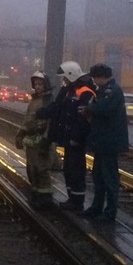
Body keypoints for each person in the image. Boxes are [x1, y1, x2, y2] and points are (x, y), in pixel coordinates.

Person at [40, 60, 96, 212]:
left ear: (71, 76)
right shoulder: (69, 90)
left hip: (76, 140)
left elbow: (82, 119)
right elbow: (57, 107)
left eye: (64, 77)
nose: (62, 80)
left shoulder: (84, 92)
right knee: (69, 169)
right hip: (68, 137)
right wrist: (44, 112)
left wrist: (76, 138)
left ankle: (77, 202)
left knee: (76, 170)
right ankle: (72, 198)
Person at [82, 63, 129, 222]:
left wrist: (90, 107)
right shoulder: (103, 90)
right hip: (102, 141)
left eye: (95, 78)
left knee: (109, 177)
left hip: (109, 141)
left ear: (102, 76)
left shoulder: (112, 91)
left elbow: (101, 108)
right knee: (98, 176)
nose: (94, 81)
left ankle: (110, 212)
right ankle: (97, 207)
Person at [14, 70, 55, 209]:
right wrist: (20, 134)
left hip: (41, 139)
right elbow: (28, 119)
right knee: (32, 168)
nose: (37, 86)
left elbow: (51, 122)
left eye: (40, 84)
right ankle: (36, 192)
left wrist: (46, 140)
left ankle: (46, 197)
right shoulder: (34, 100)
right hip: (31, 140)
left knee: (41, 169)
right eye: (36, 84)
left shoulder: (48, 100)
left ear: (46, 85)